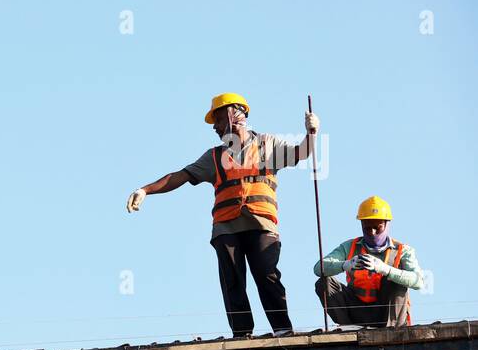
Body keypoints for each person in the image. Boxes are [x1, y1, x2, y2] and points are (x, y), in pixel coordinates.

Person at [126, 94, 319, 337]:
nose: (215, 127)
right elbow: (180, 176)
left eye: (217, 119)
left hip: (261, 222)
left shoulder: (267, 145)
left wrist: (311, 133)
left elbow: (301, 153)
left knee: (266, 274)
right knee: (232, 282)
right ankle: (242, 334)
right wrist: (145, 190)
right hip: (226, 227)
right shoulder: (214, 157)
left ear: (234, 114)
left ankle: (282, 331)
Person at [314, 196, 422, 328]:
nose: (373, 232)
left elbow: (418, 281)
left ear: (387, 224)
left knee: (397, 283)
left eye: (378, 227)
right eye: (367, 228)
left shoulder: (403, 250)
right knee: (324, 283)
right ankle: (348, 329)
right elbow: (318, 268)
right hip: (357, 310)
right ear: (361, 225)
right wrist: (345, 265)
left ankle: (392, 331)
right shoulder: (349, 246)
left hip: (386, 312)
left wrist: (386, 270)